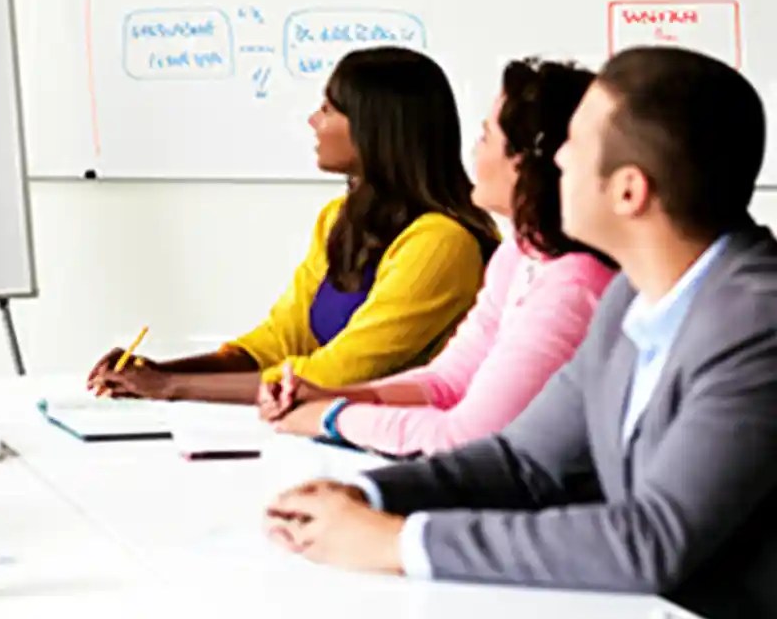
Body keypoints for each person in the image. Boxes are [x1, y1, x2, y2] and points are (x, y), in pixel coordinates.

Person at [264, 47, 777, 619]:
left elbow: (650, 540)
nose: (555, 156)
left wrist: (396, 543)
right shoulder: (632, 297)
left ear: (629, 191)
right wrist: (371, 494)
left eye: (575, 143)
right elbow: (522, 459)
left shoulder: (756, 322)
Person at [88, 47, 500, 404]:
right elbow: (280, 342)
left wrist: (173, 386)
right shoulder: (339, 219)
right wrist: (156, 371)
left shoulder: (443, 244)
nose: (313, 121)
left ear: (374, 129)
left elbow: (338, 374)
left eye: (328, 109)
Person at [262, 59, 617, 457]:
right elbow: (447, 382)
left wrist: (333, 417)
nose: (474, 151)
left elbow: (465, 437)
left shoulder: (573, 286)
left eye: (485, 137)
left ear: (523, 163)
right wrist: (335, 397)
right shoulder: (521, 253)